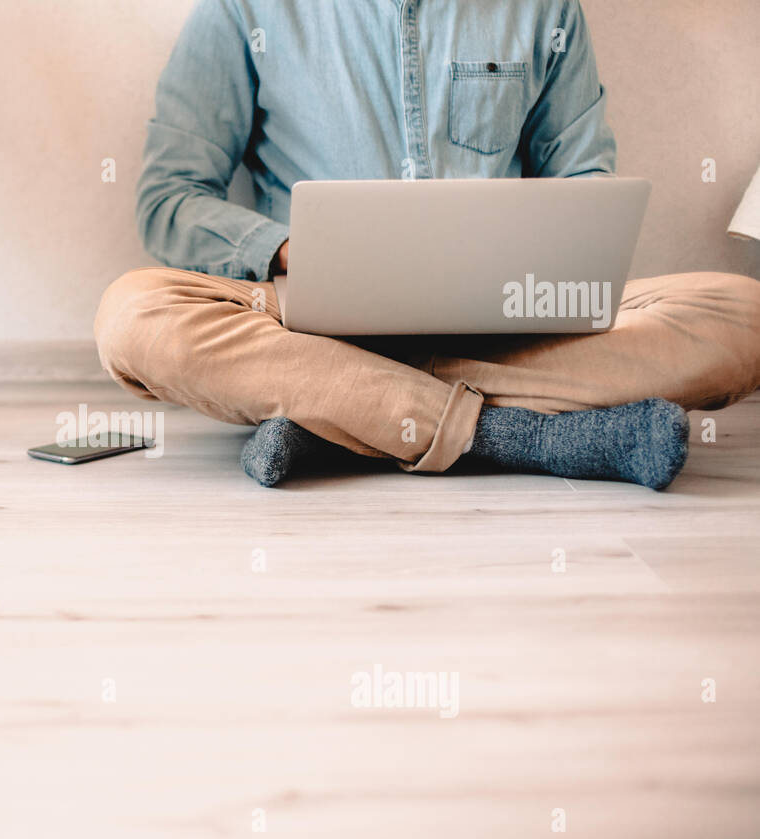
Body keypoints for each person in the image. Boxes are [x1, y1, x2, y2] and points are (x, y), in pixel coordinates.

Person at [93, 0, 760, 488]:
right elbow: (169, 200)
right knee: (133, 316)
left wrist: (549, 261)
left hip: (506, 325)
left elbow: (586, 188)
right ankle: (526, 436)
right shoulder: (242, 9)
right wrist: (296, 250)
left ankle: (338, 419)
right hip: (304, 332)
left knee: (742, 314)